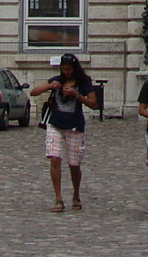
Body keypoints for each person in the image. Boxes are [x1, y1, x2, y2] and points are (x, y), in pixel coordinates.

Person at [36, 53, 99, 212]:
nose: (66, 72)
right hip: (55, 124)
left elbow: (93, 104)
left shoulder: (84, 82)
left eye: (69, 69)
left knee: (74, 164)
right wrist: (50, 86)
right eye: (63, 69)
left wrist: (76, 95)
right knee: (55, 159)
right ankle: (58, 198)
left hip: (74, 126)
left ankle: (76, 194)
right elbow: (34, 92)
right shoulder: (57, 80)